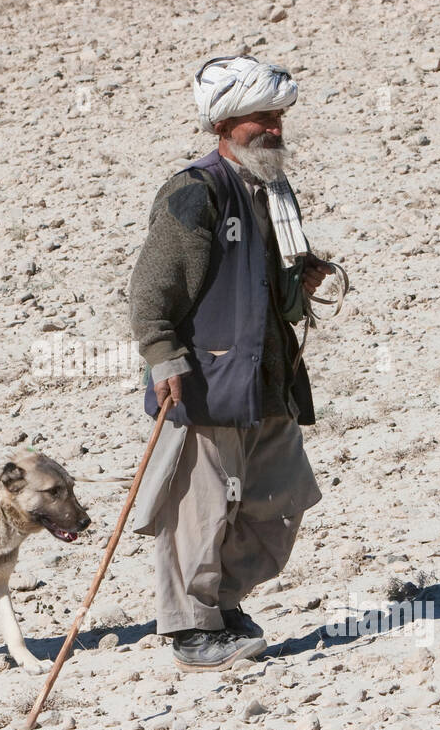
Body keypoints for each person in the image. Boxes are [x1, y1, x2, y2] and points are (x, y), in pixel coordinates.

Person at [127, 55, 331, 672]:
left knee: (279, 495)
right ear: (224, 125)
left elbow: (265, 287)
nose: (271, 127)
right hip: (206, 379)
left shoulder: (270, 190)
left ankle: (223, 600)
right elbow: (150, 291)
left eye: (276, 116)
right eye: (257, 117)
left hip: (267, 378)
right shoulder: (197, 189)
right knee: (199, 504)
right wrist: (164, 360)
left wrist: (304, 283)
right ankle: (191, 628)